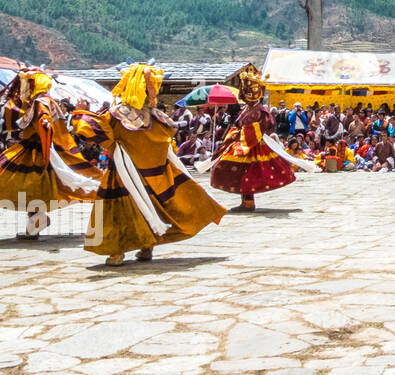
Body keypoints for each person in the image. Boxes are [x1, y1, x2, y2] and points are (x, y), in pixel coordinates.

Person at [82, 63, 226, 266]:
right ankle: (146, 247)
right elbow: (167, 139)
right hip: (152, 176)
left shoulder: (116, 114)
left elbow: (91, 132)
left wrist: (82, 114)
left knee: (119, 211)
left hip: (124, 175)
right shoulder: (159, 118)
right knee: (150, 207)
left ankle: (117, 252)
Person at [0, 67, 103, 238]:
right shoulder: (48, 101)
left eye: (27, 84)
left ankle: (36, 222)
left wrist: (39, 126)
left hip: (34, 152)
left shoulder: (41, 103)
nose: (24, 88)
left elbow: (41, 121)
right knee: (35, 189)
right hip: (37, 150)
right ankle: (34, 225)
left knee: (18, 183)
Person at [206, 65, 318, 210]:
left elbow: (260, 127)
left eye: (249, 91)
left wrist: (240, 134)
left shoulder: (261, 111)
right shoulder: (246, 108)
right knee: (238, 171)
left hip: (252, 145)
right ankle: (246, 201)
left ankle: (248, 202)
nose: (246, 94)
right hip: (242, 142)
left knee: (248, 173)